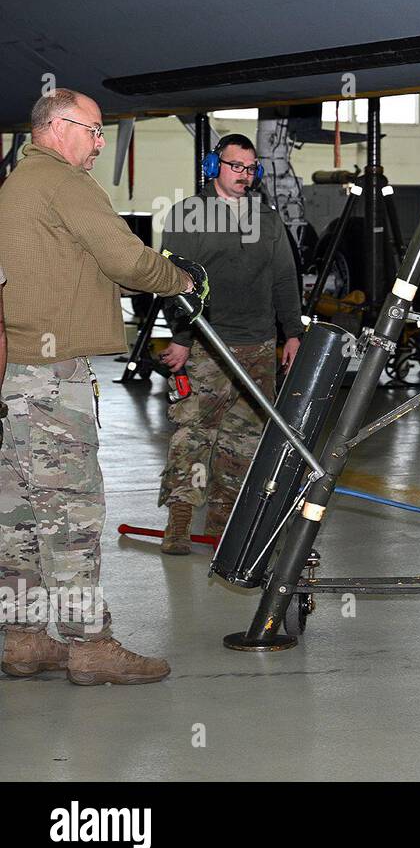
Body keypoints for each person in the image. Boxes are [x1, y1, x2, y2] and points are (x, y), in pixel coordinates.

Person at [0, 88, 197, 685]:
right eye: (92, 130)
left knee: (19, 516)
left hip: (15, 371)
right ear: (58, 128)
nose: (99, 142)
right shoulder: (63, 183)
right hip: (51, 381)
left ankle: (23, 638)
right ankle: (90, 646)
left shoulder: (16, 186)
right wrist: (181, 278)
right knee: (72, 514)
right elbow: (128, 260)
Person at [157, 133, 303, 554]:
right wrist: (182, 339)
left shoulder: (267, 218)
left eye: (251, 168)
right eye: (235, 166)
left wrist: (291, 332)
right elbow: (174, 283)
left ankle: (224, 523)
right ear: (212, 167)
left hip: (258, 345)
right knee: (195, 432)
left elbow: (284, 278)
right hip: (208, 345)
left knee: (246, 439)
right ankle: (180, 521)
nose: (244, 174)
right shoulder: (189, 214)